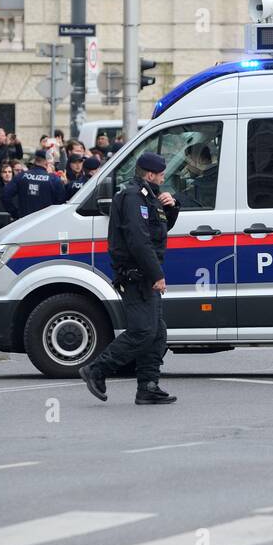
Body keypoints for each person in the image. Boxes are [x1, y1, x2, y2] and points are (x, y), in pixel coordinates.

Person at [79, 152, 180, 405]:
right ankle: (96, 370)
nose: (163, 177)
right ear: (149, 174)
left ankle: (148, 386)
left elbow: (160, 229)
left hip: (145, 274)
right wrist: (156, 274)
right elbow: (138, 240)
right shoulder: (133, 198)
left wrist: (172, 206)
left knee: (157, 332)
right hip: (137, 275)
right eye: (161, 174)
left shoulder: (148, 197)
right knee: (143, 331)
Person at [3, 149, 66, 219]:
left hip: (24, 221)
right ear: (47, 162)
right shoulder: (54, 179)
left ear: (35, 161)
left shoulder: (21, 176)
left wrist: (15, 213)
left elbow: (5, 195)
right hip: (45, 221)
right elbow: (61, 202)